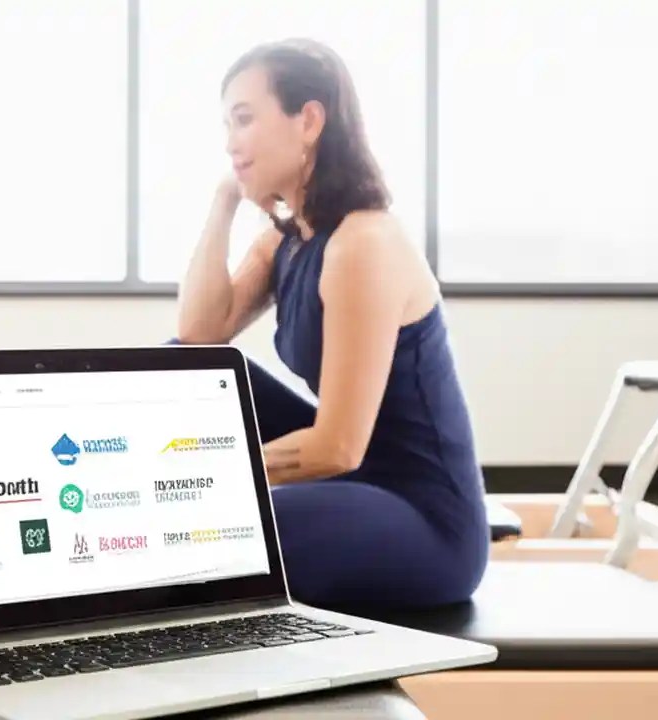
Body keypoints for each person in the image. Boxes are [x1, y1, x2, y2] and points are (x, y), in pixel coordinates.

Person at [175, 38, 489, 611]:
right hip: (357, 481)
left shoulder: (362, 245)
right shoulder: (292, 238)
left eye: (243, 120)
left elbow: (338, 447)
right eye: (226, 125)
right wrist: (224, 202)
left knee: (231, 526)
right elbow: (198, 334)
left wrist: (207, 478)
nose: (230, 143)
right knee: (186, 369)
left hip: (423, 516)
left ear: (309, 120)